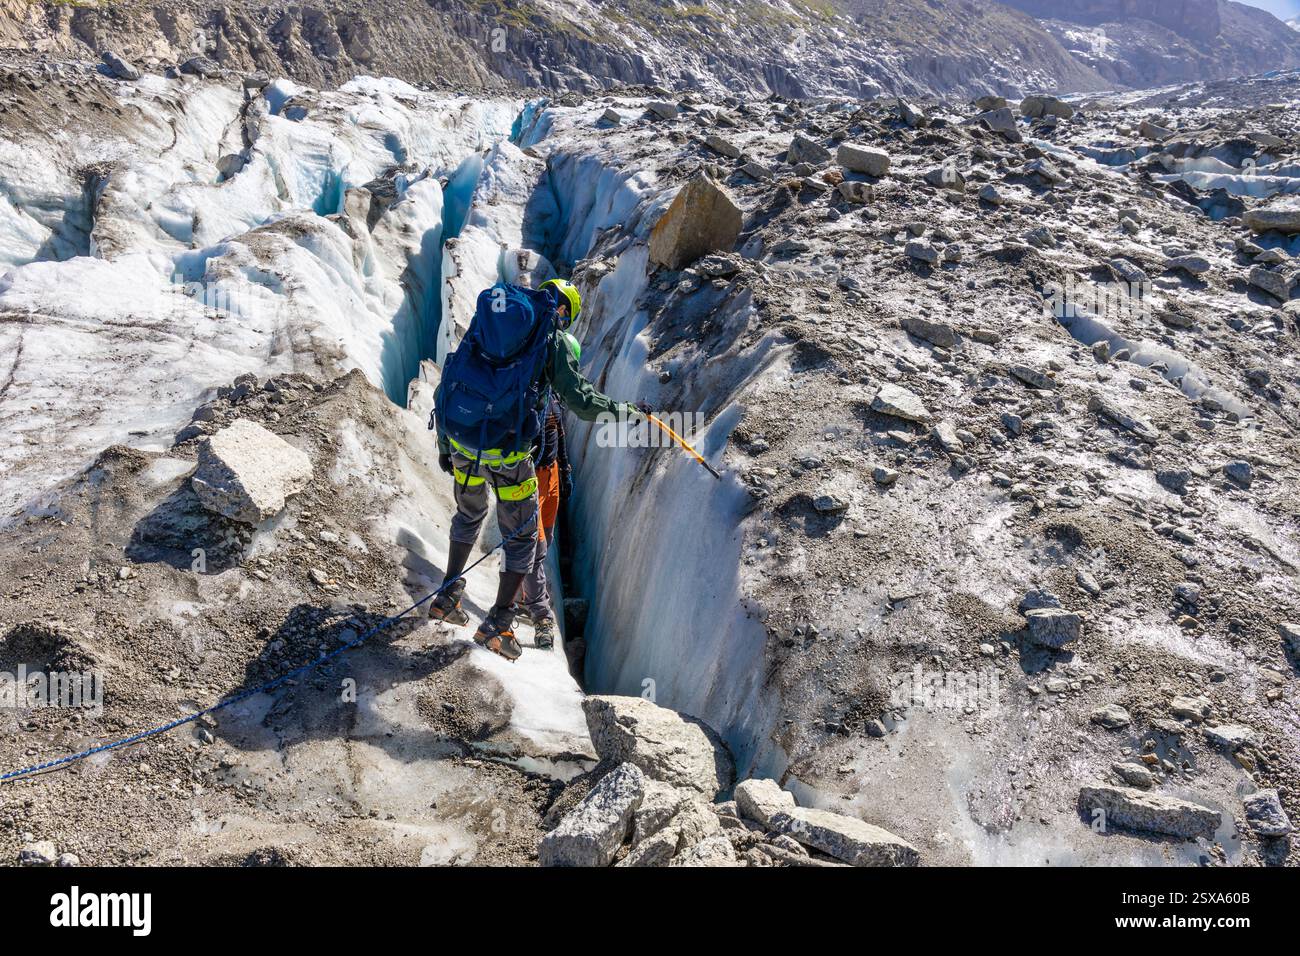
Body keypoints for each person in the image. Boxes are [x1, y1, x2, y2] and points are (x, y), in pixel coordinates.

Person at [429, 278, 640, 661]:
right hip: (508, 457)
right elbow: (581, 401)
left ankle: (446, 596)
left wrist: (446, 444)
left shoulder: (489, 324)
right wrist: (624, 412)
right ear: (564, 311)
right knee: (524, 537)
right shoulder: (550, 339)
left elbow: (452, 378)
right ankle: (499, 623)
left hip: (462, 441)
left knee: (469, 513)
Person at [515, 330, 580, 649]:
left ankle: (525, 594)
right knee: (535, 546)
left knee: (547, 538)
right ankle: (539, 613)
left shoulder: (551, 396)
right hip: (529, 477)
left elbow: (560, 433)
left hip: (551, 475)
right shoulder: (526, 392)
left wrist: (565, 469)